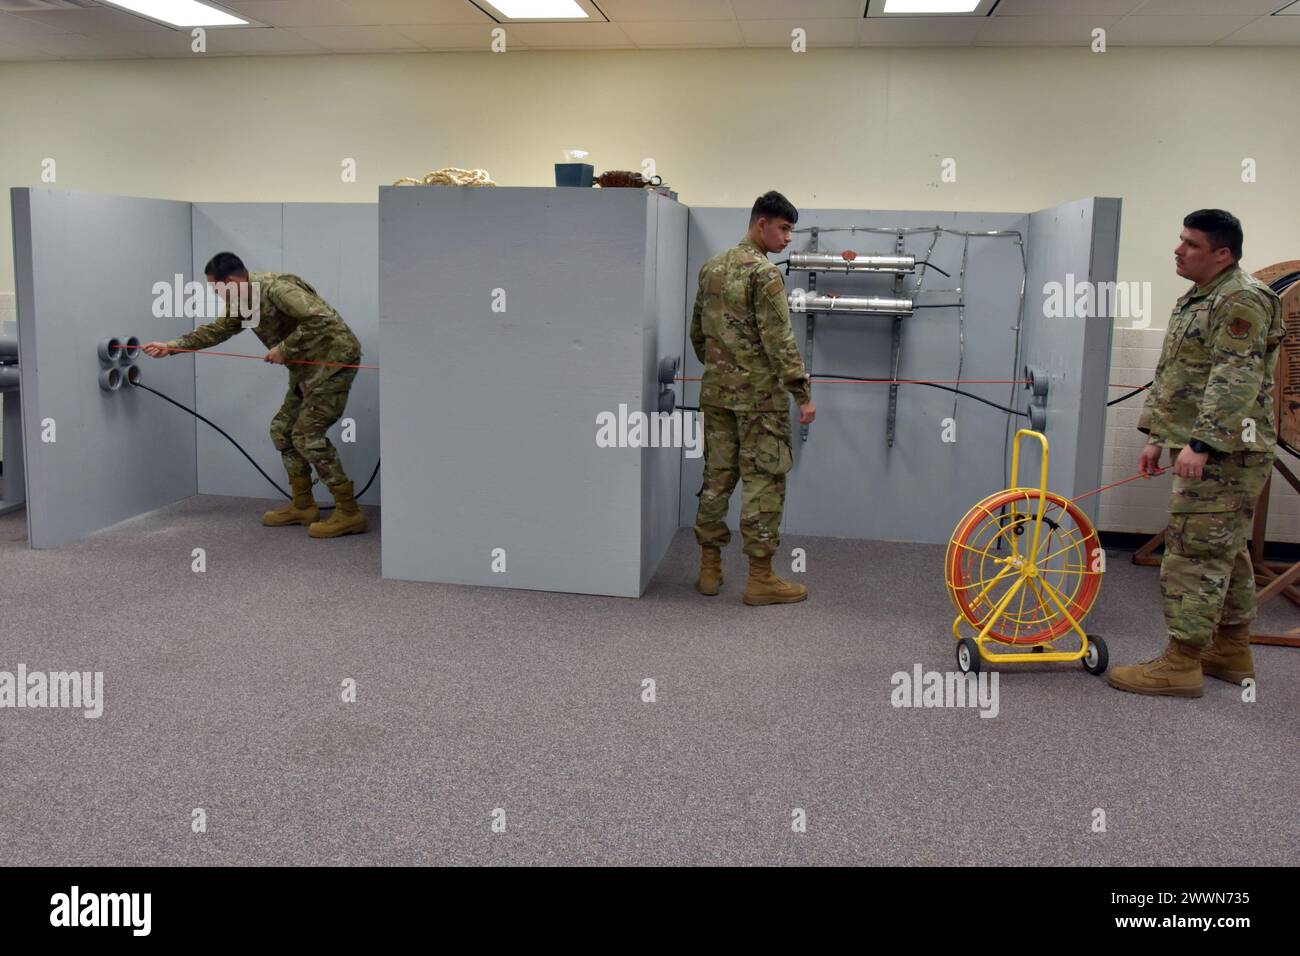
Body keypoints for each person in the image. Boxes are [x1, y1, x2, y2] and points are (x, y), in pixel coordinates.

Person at [1109, 210, 1285, 697]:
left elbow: (1236, 379)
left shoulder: (1242, 298)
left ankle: (1181, 663)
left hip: (1228, 452)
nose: (1178, 250)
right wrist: (1158, 436)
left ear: (1222, 253)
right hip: (1210, 445)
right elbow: (1179, 374)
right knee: (1224, 549)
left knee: (1192, 553)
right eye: (1180, 240)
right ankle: (1230, 649)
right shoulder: (1203, 297)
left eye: (1190, 243)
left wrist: (1202, 443)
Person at [143, 252, 368, 538]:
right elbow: (219, 330)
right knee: (283, 430)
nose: (218, 296)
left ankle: (349, 512)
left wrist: (284, 349)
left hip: (334, 359)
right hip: (307, 369)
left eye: (218, 289)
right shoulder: (243, 301)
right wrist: (172, 346)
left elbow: (322, 319)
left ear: (235, 280)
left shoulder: (277, 289)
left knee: (306, 435)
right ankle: (303, 506)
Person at [690, 191, 816, 606]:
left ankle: (710, 569)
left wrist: (722, 371)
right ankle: (760, 578)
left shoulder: (712, 267)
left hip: (716, 396)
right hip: (760, 401)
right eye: (783, 229)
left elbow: (698, 334)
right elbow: (779, 340)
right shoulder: (765, 274)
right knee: (764, 482)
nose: (787, 239)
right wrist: (802, 393)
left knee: (716, 479)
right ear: (761, 224)